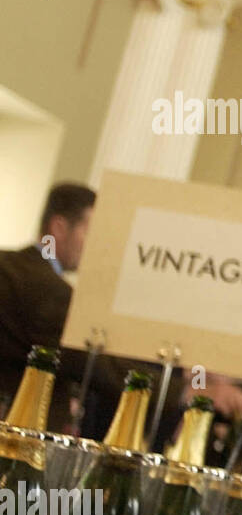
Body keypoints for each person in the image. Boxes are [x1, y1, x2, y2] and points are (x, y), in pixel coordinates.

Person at [0, 184, 172, 438]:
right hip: (16, 435)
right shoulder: (47, 287)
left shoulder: (9, 265)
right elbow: (94, 363)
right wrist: (179, 392)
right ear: (59, 227)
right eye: (89, 233)